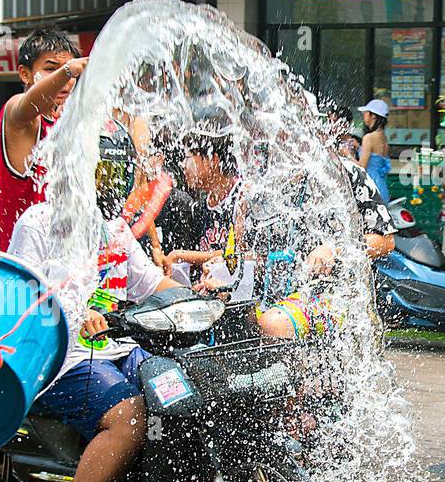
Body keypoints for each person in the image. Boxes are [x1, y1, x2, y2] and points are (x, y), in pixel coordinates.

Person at [8, 121, 180, 482]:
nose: (106, 179)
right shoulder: (40, 221)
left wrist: (202, 301)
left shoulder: (115, 230)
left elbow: (153, 283)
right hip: (60, 358)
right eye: (97, 169)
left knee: (182, 395)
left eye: (112, 170)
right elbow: (23, 293)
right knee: (129, 417)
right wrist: (73, 313)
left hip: (116, 349)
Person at [256, 157, 396, 339]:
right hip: (275, 290)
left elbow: (385, 242)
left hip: (336, 293)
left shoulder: (345, 172)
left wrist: (333, 248)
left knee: (274, 323)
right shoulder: (267, 175)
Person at [0, 27, 87, 247]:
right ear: (24, 73)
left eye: (71, 75)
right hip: (25, 267)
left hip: (64, 264)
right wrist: (68, 70)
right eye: (51, 69)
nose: (66, 80)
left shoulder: (65, 120)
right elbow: (30, 104)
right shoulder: (18, 113)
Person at [158, 132, 245, 282]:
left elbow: (241, 253)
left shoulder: (241, 198)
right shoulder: (200, 207)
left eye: (188, 158)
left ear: (212, 159)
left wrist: (181, 255)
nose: (183, 165)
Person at [357, 99, 391, 201]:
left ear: (373, 115)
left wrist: (347, 154)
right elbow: (375, 158)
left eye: (366, 112)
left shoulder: (369, 137)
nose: (364, 115)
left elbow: (362, 167)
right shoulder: (384, 138)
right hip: (382, 187)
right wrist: (359, 147)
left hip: (370, 187)